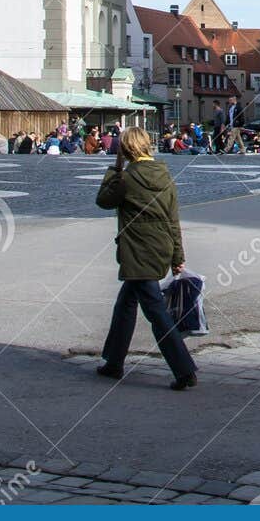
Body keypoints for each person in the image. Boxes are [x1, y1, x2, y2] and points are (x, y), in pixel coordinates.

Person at [94, 129, 198, 390]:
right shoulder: (165, 175)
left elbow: (103, 200)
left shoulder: (126, 178)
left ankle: (184, 369)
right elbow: (173, 220)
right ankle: (114, 362)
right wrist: (177, 256)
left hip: (138, 252)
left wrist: (114, 169)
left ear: (126, 150)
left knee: (155, 311)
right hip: (160, 247)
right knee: (125, 304)